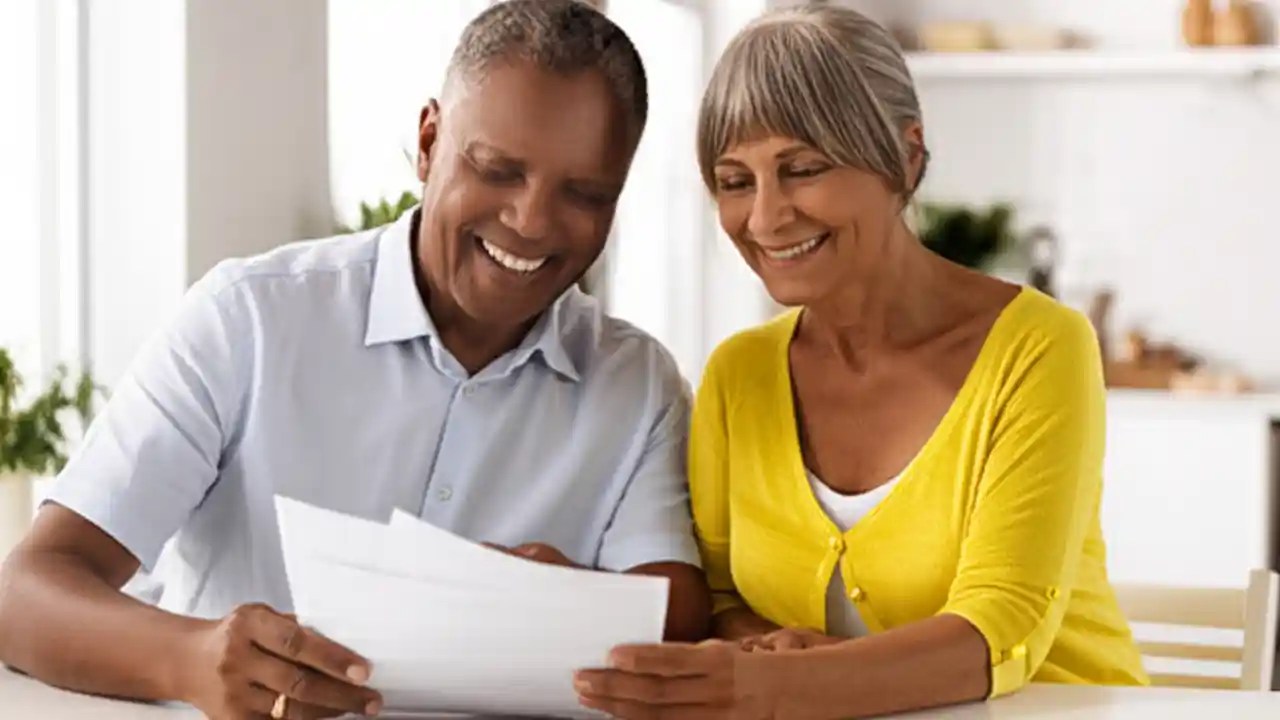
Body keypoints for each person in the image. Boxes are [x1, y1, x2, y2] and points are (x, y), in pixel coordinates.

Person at [0, 2, 711, 718]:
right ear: (429, 141)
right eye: (497, 170)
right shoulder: (250, 320)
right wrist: (190, 658)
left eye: (585, 194)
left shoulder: (637, 384)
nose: (530, 222)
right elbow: (24, 595)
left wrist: (568, 600)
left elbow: (675, 625)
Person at [573, 6, 1148, 719]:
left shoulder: (1039, 347)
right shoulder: (738, 375)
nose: (765, 218)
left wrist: (776, 687)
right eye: (734, 180)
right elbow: (721, 600)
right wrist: (765, 648)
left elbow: (1000, 628)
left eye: (803, 169)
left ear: (907, 155)